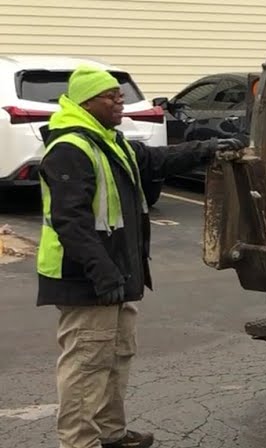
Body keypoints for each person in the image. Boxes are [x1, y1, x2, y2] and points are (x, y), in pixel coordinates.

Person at [35, 66, 246, 448]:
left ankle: (111, 434)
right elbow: (71, 223)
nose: (120, 102)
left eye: (120, 95)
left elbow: (155, 160)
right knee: (86, 365)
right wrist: (102, 274)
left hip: (115, 274)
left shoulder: (108, 141)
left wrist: (209, 148)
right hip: (86, 278)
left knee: (115, 358)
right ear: (86, 102)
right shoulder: (70, 149)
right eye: (111, 97)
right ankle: (80, 442)